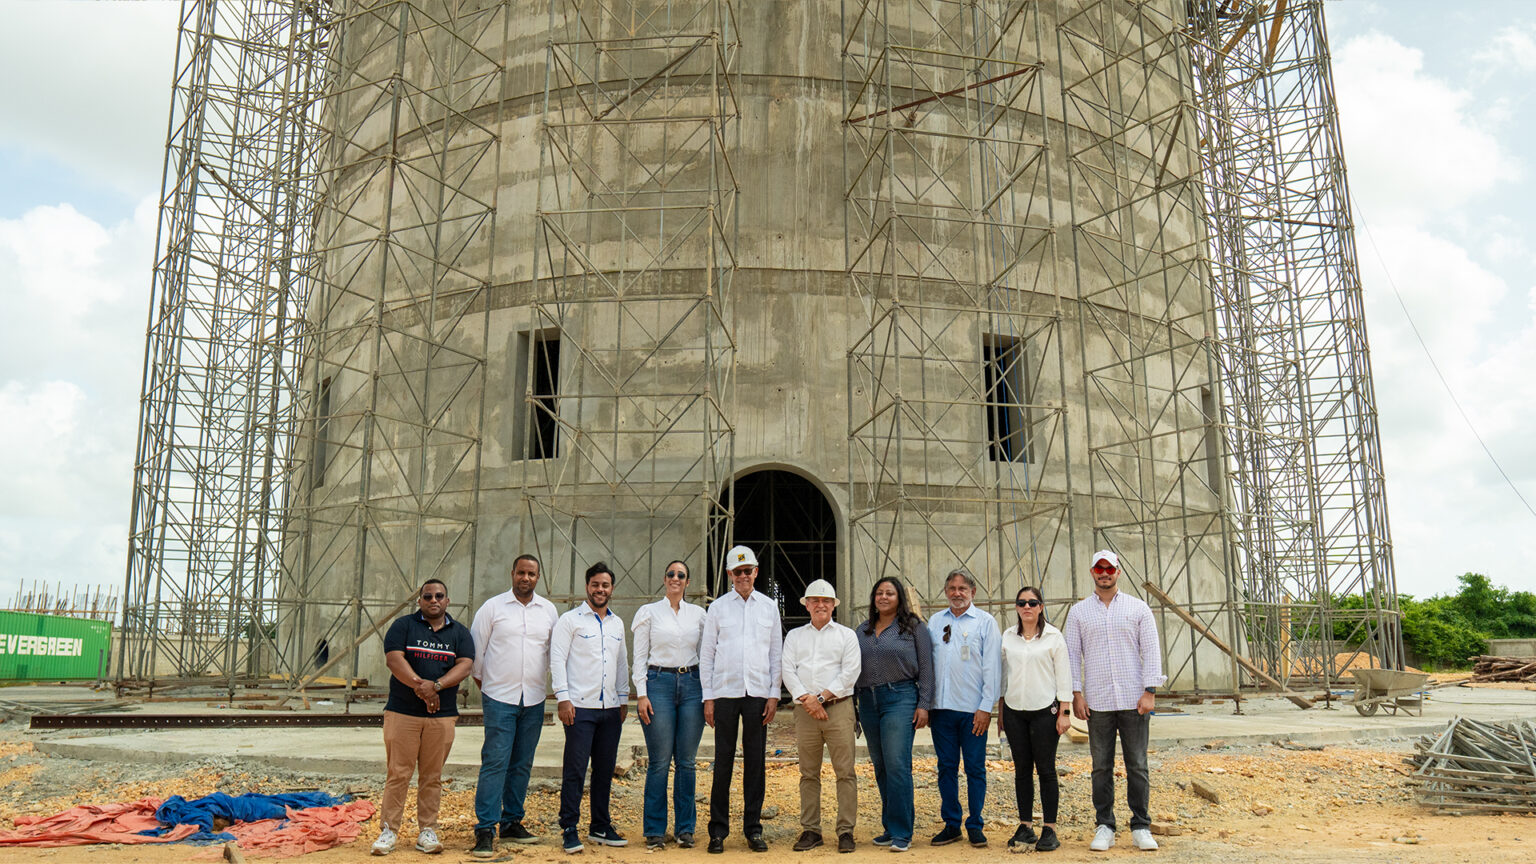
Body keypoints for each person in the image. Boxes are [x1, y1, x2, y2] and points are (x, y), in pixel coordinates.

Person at [1063, 550, 1165, 853]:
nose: (1104, 573)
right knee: (1100, 767)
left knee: (1137, 765)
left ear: (1117, 572)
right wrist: (1076, 694)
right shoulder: (1079, 612)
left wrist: (1150, 691)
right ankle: (1105, 825)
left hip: (1134, 700)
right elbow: (1071, 655)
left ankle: (1141, 826)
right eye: (1099, 568)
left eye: (1109, 568)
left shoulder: (1138, 608)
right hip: (1098, 701)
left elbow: (1151, 649)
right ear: (1092, 572)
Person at [373, 579, 476, 856]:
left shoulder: (460, 633)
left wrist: (437, 686)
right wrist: (422, 686)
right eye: (427, 596)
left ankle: (427, 831)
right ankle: (388, 831)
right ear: (419, 601)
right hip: (403, 713)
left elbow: (465, 665)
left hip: (441, 717)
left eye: (439, 596)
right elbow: (394, 660)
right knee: (398, 774)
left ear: (447, 600)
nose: (433, 600)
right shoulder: (403, 626)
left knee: (432, 776)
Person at [470, 554, 560, 857]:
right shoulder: (492, 608)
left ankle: (511, 822)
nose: (526, 578)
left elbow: (552, 655)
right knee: (495, 762)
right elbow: (476, 655)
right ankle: (485, 828)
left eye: (531, 574)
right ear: (512, 574)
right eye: (521, 572)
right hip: (499, 699)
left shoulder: (548, 611)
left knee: (522, 763)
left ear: (538, 577)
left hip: (533, 699)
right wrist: (490, 689)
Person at [699, 544, 783, 854]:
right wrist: (708, 697)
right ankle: (718, 830)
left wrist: (774, 694)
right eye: (738, 571)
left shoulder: (768, 607)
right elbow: (707, 654)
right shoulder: (718, 608)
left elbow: (776, 652)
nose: (743, 576)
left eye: (748, 570)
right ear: (729, 575)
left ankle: (753, 829)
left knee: (755, 763)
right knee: (722, 763)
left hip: (758, 694)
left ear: (756, 572)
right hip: (724, 693)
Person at [551, 562, 630, 854]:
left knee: (604, 769)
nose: (600, 589)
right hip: (579, 708)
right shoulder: (570, 621)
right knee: (575, 769)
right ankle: (569, 828)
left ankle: (600, 825)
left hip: (610, 709)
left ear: (611, 588)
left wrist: (623, 698)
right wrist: (563, 697)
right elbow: (557, 659)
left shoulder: (617, 623)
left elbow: (621, 662)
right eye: (595, 584)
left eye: (605, 585)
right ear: (587, 587)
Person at [781, 579, 861, 854]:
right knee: (808, 773)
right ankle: (811, 829)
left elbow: (850, 672)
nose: (820, 605)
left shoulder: (846, 636)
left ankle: (846, 831)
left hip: (838, 708)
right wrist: (808, 699)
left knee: (845, 772)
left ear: (833, 605)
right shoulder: (794, 637)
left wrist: (821, 698)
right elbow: (788, 671)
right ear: (807, 605)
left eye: (826, 601)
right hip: (806, 711)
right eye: (814, 600)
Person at [854, 576, 933, 853]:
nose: (883, 597)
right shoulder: (861, 630)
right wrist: (853, 707)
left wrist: (924, 704)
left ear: (899, 597)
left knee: (898, 764)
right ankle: (890, 827)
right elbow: (852, 670)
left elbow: (927, 667)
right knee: (881, 766)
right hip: (867, 700)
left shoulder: (913, 628)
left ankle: (902, 831)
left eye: (889, 593)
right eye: (879, 593)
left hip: (900, 698)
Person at [632, 559, 707, 850]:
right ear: (665, 579)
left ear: (688, 583)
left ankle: (685, 829)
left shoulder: (699, 615)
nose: (675, 578)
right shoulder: (648, 612)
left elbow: (706, 657)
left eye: (681, 575)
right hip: (658, 684)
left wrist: (708, 693)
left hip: (691, 684)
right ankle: (654, 830)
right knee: (660, 761)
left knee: (686, 762)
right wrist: (641, 693)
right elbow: (639, 656)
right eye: (671, 574)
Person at [926, 567, 1001, 848]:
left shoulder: (985, 622)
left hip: (973, 712)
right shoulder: (934, 622)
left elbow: (992, 667)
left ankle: (975, 824)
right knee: (946, 767)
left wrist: (985, 707)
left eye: (962, 589)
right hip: (941, 710)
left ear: (973, 592)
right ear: (946, 592)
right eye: (952, 589)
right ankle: (951, 824)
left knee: (974, 769)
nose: (957, 593)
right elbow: (927, 665)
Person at [1000, 585, 1072, 852]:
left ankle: (1050, 829)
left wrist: (1065, 712)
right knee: (1021, 771)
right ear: (1016, 608)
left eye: (1032, 603)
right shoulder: (1008, 636)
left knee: (1046, 770)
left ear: (1041, 607)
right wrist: (1001, 711)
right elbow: (1003, 676)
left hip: (1045, 711)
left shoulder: (1054, 637)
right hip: (1015, 711)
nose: (1027, 607)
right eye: (1021, 603)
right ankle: (1026, 825)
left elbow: (1064, 675)